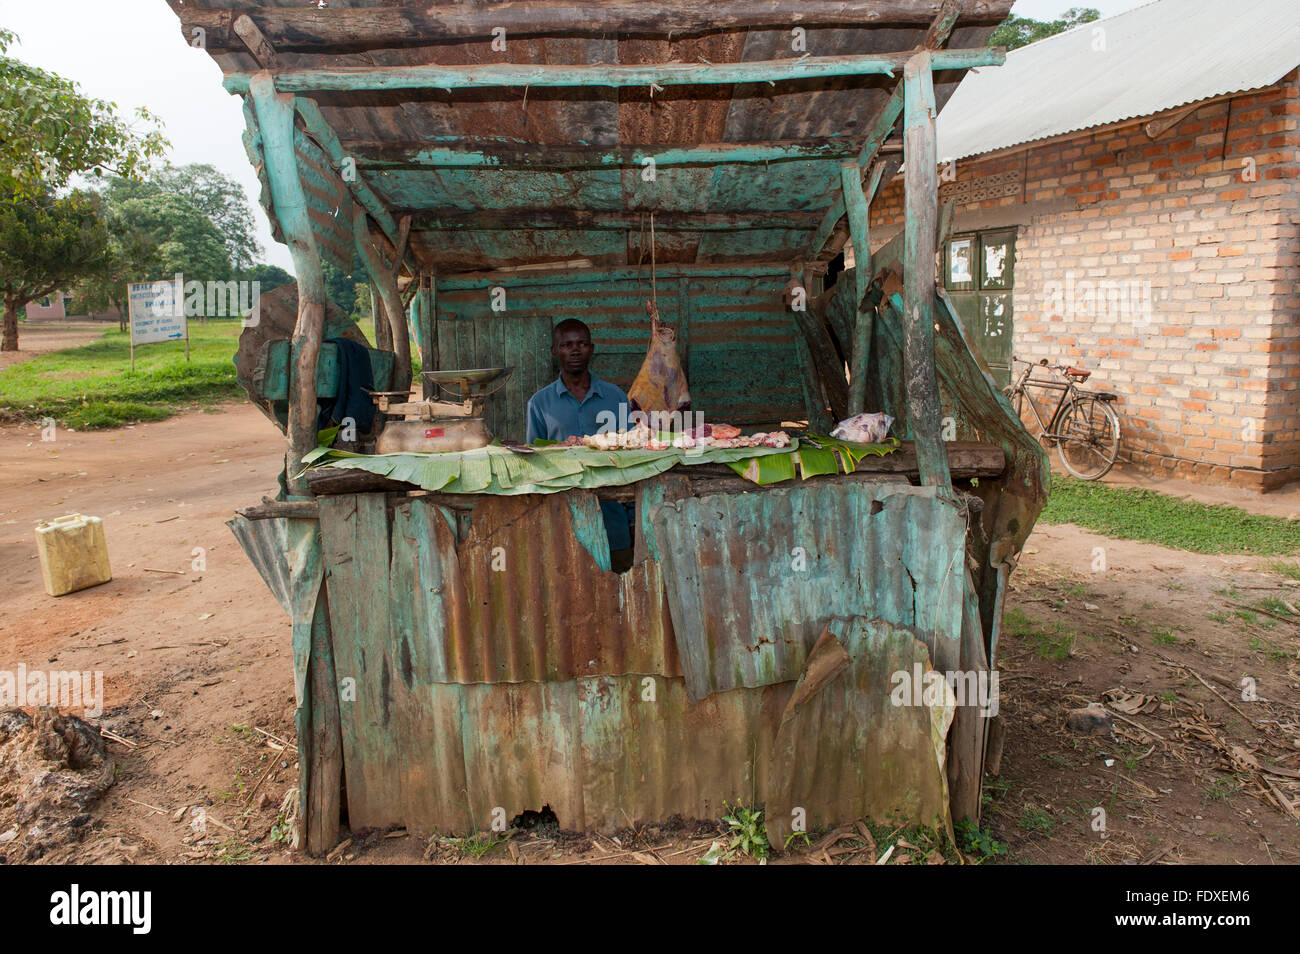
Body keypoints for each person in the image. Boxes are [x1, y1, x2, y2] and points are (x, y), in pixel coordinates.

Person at [525, 319, 635, 571]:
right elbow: (534, 465)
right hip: (562, 522)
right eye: (567, 345)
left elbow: (632, 458)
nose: (575, 350)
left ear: (592, 349)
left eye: (582, 344)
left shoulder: (615, 397)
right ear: (555, 352)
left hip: (614, 522)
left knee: (620, 595)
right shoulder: (539, 404)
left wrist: (632, 518)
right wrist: (559, 451)